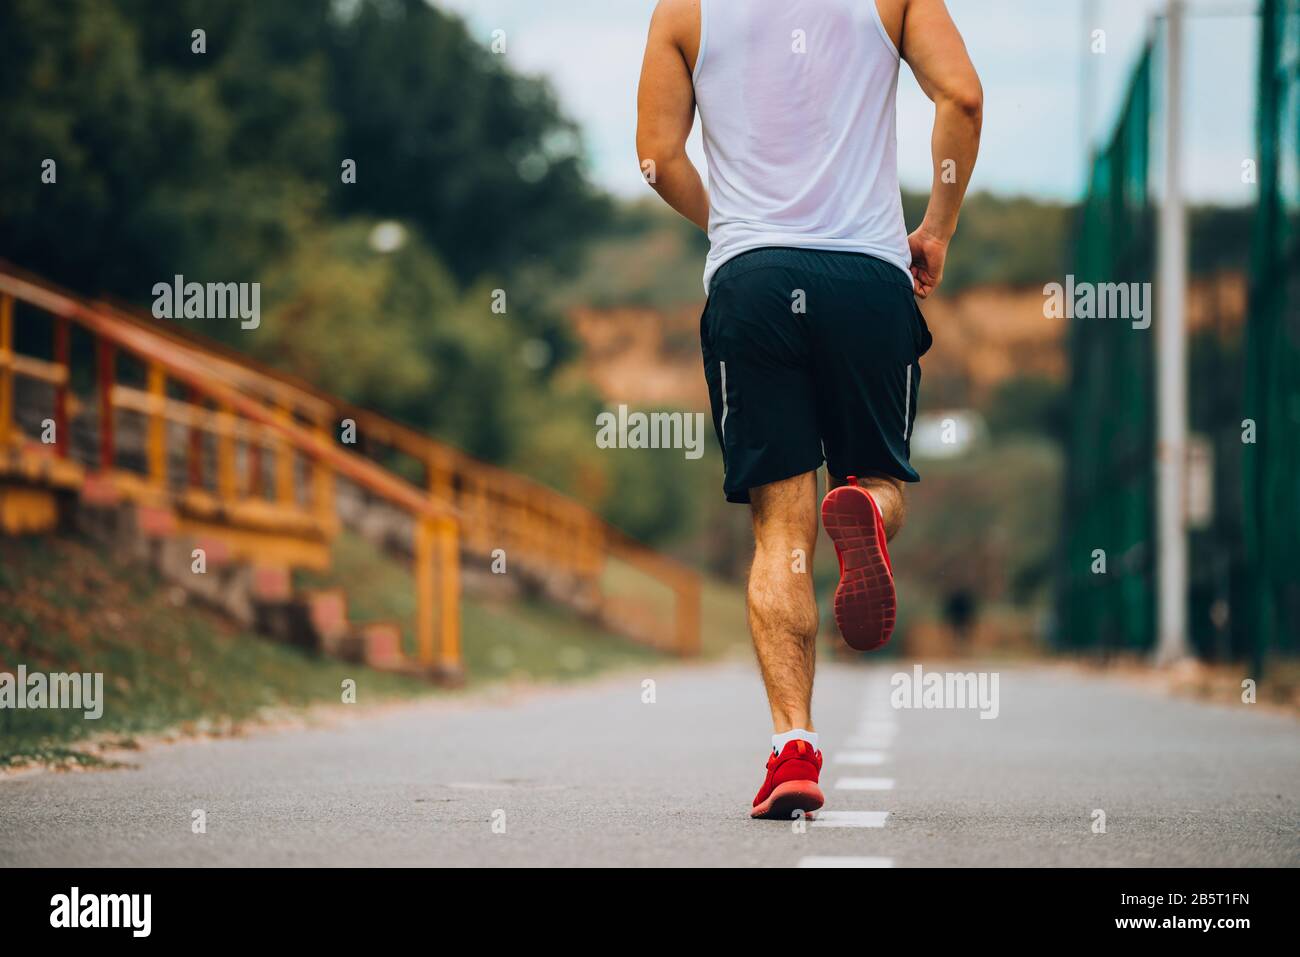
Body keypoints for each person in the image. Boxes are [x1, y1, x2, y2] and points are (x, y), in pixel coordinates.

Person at [636, 0, 982, 818]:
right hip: (866, 277)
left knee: (778, 535)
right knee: (878, 477)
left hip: (754, 284)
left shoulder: (683, 10)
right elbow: (962, 98)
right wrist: (936, 228)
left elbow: (657, 157)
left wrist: (740, 227)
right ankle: (866, 503)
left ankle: (793, 744)